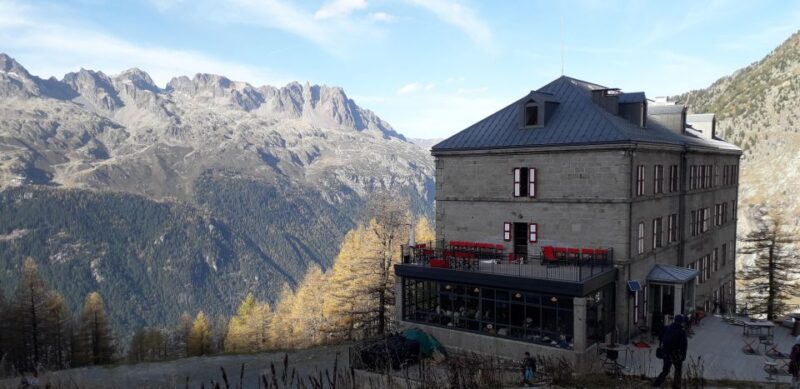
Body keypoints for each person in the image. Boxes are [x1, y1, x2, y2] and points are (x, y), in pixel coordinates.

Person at [653, 314, 688, 388]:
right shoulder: (682, 331)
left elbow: (660, 338)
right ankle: (676, 386)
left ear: (674, 320)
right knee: (678, 371)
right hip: (676, 354)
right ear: (681, 322)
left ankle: (657, 383)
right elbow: (684, 345)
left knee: (665, 370)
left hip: (666, 353)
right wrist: (683, 356)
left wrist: (662, 349)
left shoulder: (667, 328)